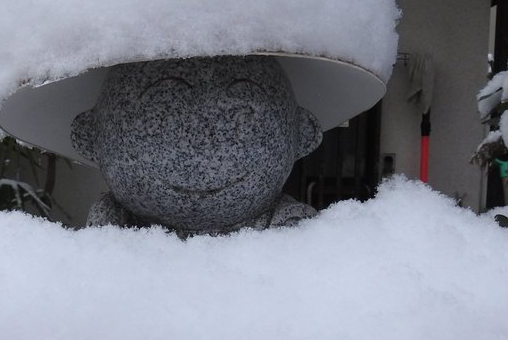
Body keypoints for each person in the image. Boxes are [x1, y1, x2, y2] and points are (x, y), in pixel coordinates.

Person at [70, 55, 322, 235]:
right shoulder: (118, 221)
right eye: (167, 123)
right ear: (92, 137)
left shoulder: (289, 225)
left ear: (303, 134)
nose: (207, 145)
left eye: (241, 123)